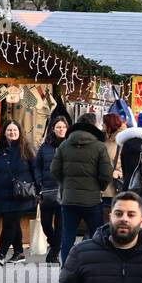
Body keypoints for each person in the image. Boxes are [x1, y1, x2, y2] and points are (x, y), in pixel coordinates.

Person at [53, 112, 115, 266]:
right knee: (96, 235)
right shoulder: (99, 147)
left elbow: (54, 170)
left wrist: (65, 183)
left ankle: (66, 268)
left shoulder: (64, 145)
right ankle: (95, 266)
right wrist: (99, 187)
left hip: (69, 199)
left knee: (68, 236)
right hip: (92, 200)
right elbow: (106, 173)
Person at [0, 119, 38, 265]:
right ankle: (19, 253)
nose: (12, 133)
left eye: (15, 130)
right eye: (9, 130)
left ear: (20, 132)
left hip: (21, 195)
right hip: (2, 194)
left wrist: (40, 190)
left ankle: (0, 254)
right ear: (4, 133)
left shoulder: (27, 149)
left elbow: (36, 170)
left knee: (9, 223)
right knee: (13, 223)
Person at [35, 115, 69, 264]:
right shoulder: (45, 146)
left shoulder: (71, 145)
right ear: (53, 129)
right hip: (47, 189)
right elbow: (37, 165)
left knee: (61, 225)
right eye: (58, 127)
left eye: (63, 127)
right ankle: (55, 244)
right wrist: (39, 181)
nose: (61, 130)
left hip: (65, 190)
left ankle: (54, 252)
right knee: (46, 224)